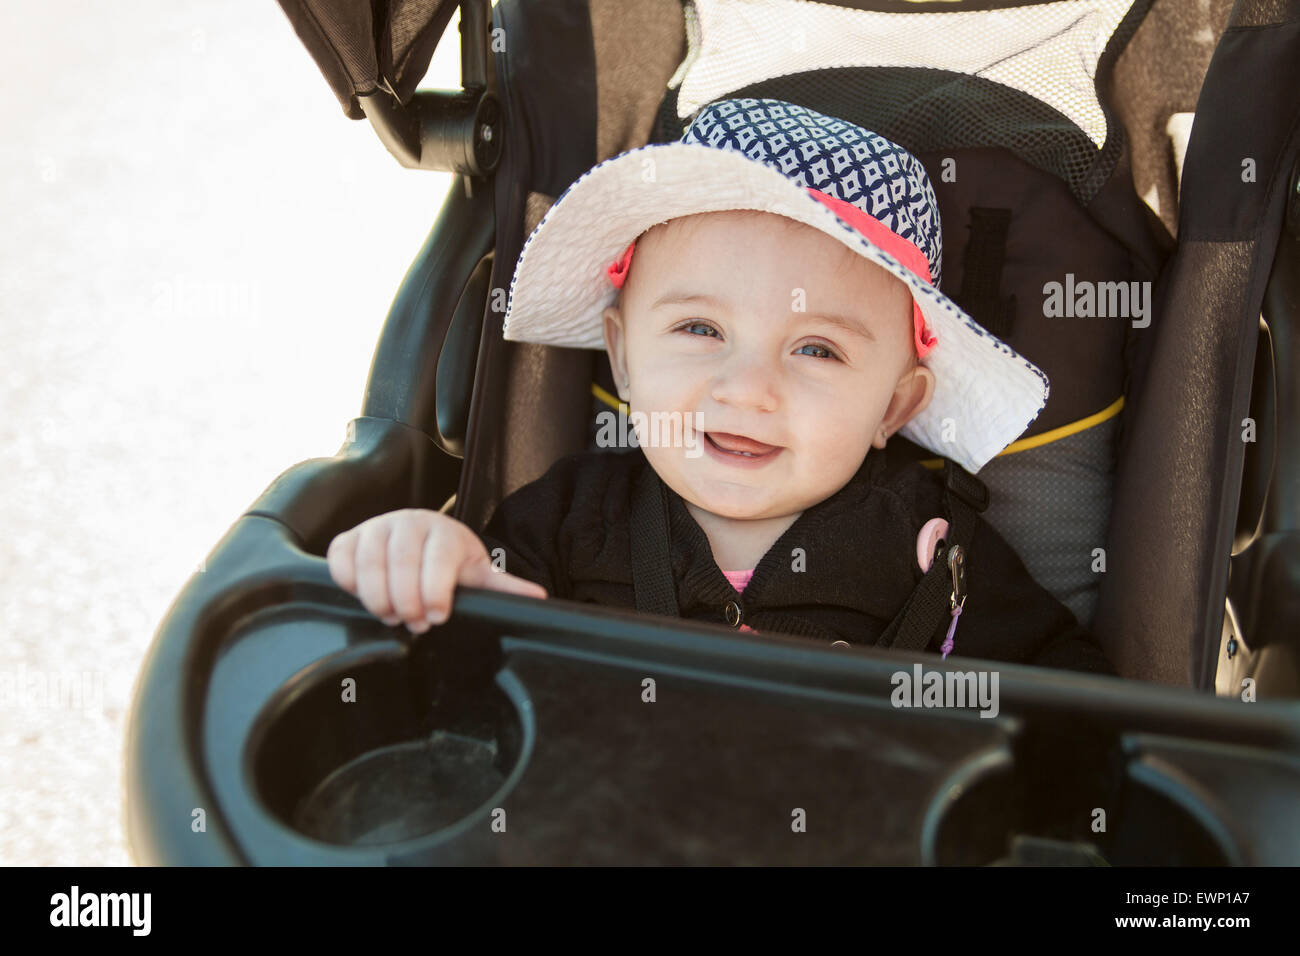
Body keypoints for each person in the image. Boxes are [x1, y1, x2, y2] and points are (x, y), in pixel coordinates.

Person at [326, 98, 1113, 675]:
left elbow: (1079, 715)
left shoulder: (935, 554)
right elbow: (462, 649)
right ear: (623, 357)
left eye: (816, 349)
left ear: (896, 407)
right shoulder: (566, 522)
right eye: (701, 331)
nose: (747, 390)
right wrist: (431, 557)